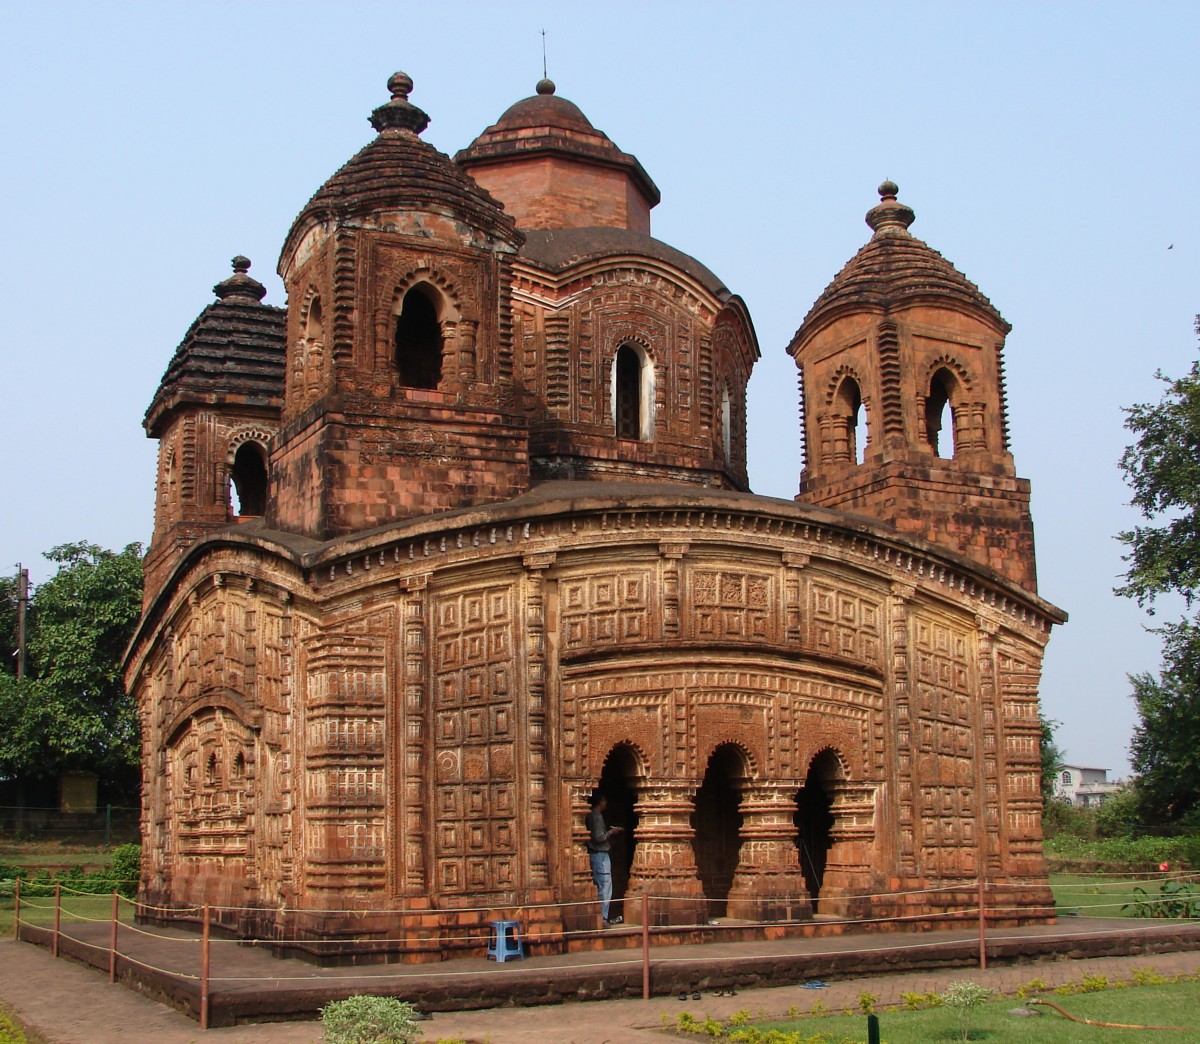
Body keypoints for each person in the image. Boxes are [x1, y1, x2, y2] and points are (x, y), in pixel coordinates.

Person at [585, 793, 624, 925]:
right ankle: (603, 917)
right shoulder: (596, 816)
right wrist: (612, 832)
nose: (606, 803)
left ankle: (602, 917)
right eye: (605, 800)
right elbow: (598, 837)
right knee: (605, 886)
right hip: (599, 854)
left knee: (601, 885)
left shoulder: (591, 815)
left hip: (595, 854)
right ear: (600, 802)